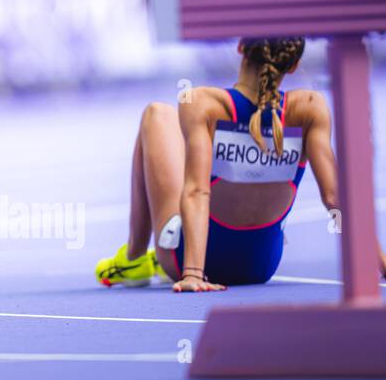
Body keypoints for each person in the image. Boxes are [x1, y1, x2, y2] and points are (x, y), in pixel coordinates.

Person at [97, 37, 386, 290]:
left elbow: (198, 191)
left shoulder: (202, 101)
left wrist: (193, 274)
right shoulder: (309, 107)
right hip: (261, 265)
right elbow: (335, 196)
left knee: (156, 114)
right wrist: (382, 264)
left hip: (194, 258)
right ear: (294, 65)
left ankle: (134, 257)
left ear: (241, 48)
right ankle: (146, 257)